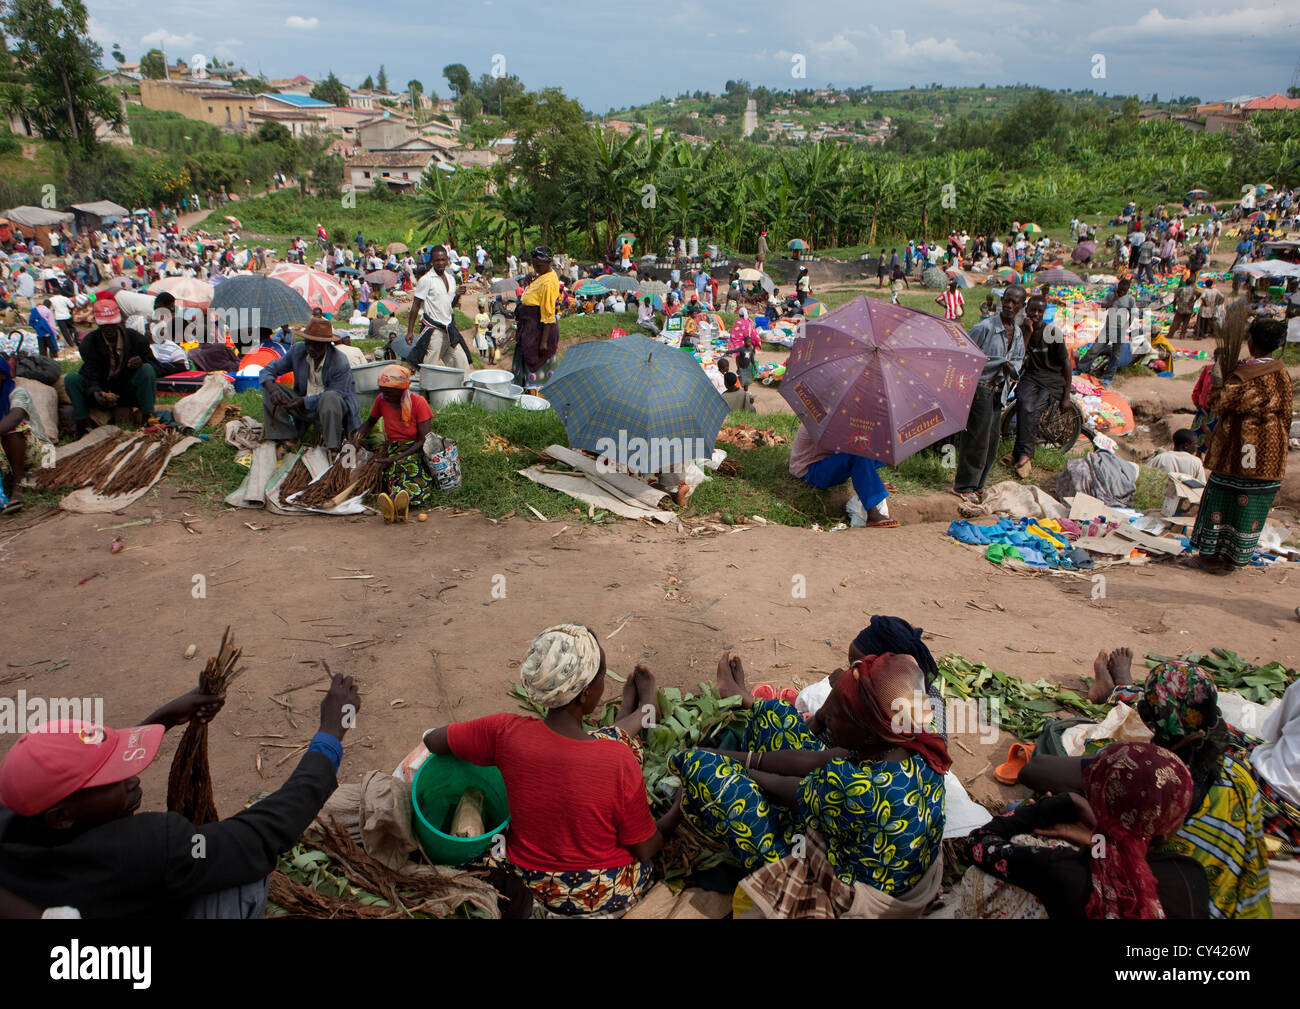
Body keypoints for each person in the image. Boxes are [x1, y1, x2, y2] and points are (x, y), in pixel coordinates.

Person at [0, 672, 361, 918]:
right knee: (243, 873)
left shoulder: (17, 810)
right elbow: (262, 833)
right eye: (113, 778)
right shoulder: (150, 846)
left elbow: (73, 779)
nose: (131, 780)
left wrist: (165, 717)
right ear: (62, 816)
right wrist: (330, 734)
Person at [420, 625, 680, 916]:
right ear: (584, 695)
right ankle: (643, 714)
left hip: (531, 882)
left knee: (600, 744)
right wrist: (678, 808)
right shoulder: (617, 762)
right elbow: (645, 849)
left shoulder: (504, 732)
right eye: (601, 679)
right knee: (607, 746)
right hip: (605, 892)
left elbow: (433, 740)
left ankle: (638, 713)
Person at [670, 649, 948, 918]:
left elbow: (782, 788)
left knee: (704, 770)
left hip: (848, 893)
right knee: (773, 715)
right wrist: (746, 758)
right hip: (862, 844)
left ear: (866, 735)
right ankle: (739, 712)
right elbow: (810, 760)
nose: (828, 718)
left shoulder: (860, 788)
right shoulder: (907, 741)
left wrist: (724, 761)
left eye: (837, 712)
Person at [1025, 652, 1272, 919]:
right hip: (1234, 911)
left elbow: (1034, 771)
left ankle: (1118, 688)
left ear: (1145, 714)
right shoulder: (1239, 777)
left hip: (1160, 910)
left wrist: (1106, 765)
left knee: (1034, 829)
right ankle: (1118, 687)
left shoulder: (1146, 777)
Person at [961, 742, 1206, 919]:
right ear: (1169, 826)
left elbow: (977, 843)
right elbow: (1130, 858)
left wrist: (1058, 804)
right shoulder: (1190, 876)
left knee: (1011, 849)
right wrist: (1098, 838)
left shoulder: (1064, 872)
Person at [1183, 318, 1292, 574]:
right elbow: (1286, 413)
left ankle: (1209, 557)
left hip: (1241, 452)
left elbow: (1219, 402)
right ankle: (1234, 558)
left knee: (1223, 496)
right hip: (1269, 454)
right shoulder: (1282, 375)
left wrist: (1222, 379)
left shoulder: (1243, 376)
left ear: (1251, 342)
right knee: (1249, 502)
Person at [954, 285, 1026, 503]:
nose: (1009, 305)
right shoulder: (984, 327)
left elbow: (1018, 358)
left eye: (1015, 302)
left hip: (1000, 392)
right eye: (1007, 300)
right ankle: (964, 485)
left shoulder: (1018, 332)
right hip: (981, 389)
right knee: (977, 440)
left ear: (1021, 306)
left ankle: (978, 485)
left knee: (993, 442)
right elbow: (966, 356)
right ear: (1001, 301)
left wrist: (1011, 368)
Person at [259, 316, 360, 454]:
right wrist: (272, 389)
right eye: (308, 343)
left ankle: (333, 446)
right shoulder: (298, 351)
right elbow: (269, 369)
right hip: (302, 404)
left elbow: (339, 393)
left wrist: (303, 401)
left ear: (326, 344)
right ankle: (289, 437)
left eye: (316, 345)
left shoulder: (339, 361)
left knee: (330, 397)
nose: (311, 348)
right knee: (269, 389)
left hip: (331, 410)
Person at [64, 296, 158, 436]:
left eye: (112, 324)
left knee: (147, 369)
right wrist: (96, 393)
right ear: (97, 323)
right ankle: (84, 424)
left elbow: (156, 365)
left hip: (128, 391)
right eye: (104, 325)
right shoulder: (89, 343)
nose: (109, 328)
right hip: (102, 390)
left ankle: (147, 416)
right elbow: (90, 374)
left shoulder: (135, 339)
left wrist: (141, 361)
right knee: (71, 379)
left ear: (119, 321)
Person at [353, 364, 435, 523]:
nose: (384, 394)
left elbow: (424, 440)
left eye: (388, 391)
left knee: (410, 469)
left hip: (413, 449)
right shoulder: (381, 400)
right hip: (392, 449)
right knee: (392, 473)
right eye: (382, 390)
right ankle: (395, 503)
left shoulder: (419, 403)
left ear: (401, 389)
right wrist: (356, 438)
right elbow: (369, 423)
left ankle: (397, 501)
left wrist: (396, 458)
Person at [789, 419, 897, 527]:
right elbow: (848, 448)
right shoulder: (826, 420)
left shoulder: (834, 415)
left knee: (873, 445)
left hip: (824, 463)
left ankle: (872, 479)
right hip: (809, 471)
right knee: (859, 453)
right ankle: (873, 514)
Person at [1012, 295, 1073, 479]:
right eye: (1033, 310)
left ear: (1044, 312)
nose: (1036, 314)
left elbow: (1066, 364)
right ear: (1026, 310)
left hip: (1052, 379)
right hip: (1032, 376)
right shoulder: (1021, 331)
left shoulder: (1052, 333)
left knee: (1033, 409)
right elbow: (1018, 356)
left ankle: (1024, 454)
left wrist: (1066, 395)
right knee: (1023, 403)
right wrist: (1028, 334)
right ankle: (1020, 452)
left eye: (1040, 311)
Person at [0, 354, 54, 515]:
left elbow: (15, 417)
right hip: (5, 452)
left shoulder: (17, 392)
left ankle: (18, 485)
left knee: (13, 427)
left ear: (2, 375)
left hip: (39, 452)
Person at [406, 247, 470, 377]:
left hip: (449, 330)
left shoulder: (451, 279)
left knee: (462, 364)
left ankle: (464, 394)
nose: (440, 263)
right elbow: (416, 305)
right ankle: (424, 394)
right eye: (437, 260)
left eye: (442, 259)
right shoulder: (426, 280)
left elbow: (449, 305)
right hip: (434, 330)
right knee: (429, 369)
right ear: (432, 262)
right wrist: (410, 331)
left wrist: (457, 295)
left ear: (447, 260)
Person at [513, 247, 561, 387]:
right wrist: (530, 283)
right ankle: (523, 392)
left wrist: (543, 341)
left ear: (548, 262)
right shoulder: (543, 275)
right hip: (529, 329)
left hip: (539, 332)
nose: (536, 268)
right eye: (534, 265)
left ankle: (535, 396)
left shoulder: (549, 282)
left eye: (539, 265)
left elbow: (548, 314)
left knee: (536, 362)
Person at [1168, 276, 1200, 340]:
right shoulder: (1193, 290)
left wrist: (1174, 306)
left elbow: (1175, 298)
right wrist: (1194, 300)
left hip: (1181, 308)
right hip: (1189, 308)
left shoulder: (1181, 289)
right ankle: (1182, 335)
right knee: (1186, 322)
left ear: (1186, 283)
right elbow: (1199, 294)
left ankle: (1170, 334)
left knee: (1176, 322)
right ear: (1191, 283)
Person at [473, 296, 494, 365]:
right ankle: (481, 354)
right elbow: (476, 325)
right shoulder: (477, 316)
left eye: (483, 308)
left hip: (486, 332)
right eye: (481, 309)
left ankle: (484, 354)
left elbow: (488, 322)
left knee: (485, 344)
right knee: (480, 344)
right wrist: (476, 333)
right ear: (479, 309)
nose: (483, 309)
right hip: (480, 332)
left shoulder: (486, 314)